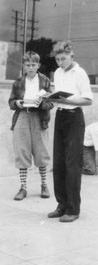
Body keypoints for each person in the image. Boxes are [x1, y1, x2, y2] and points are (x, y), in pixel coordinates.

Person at [47, 41, 93, 222]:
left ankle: (73, 209)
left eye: (63, 59)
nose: (60, 62)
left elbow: (88, 100)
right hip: (60, 116)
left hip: (74, 117)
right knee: (58, 163)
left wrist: (68, 101)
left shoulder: (80, 73)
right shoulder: (57, 73)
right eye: (57, 59)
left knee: (72, 164)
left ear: (71, 56)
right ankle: (62, 205)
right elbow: (57, 96)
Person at [8, 51, 53, 201]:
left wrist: (41, 103)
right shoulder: (18, 82)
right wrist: (17, 103)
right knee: (22, 150)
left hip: (39, 117)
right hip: (22, 115)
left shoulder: (45, 81)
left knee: (41, 150)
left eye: (34, 64)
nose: (31, 67)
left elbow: (51, 102)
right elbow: (11, 102)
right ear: (24, 66)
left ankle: (44, 184)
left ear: (38, 65)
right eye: (28, 65)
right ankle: (23, 187)